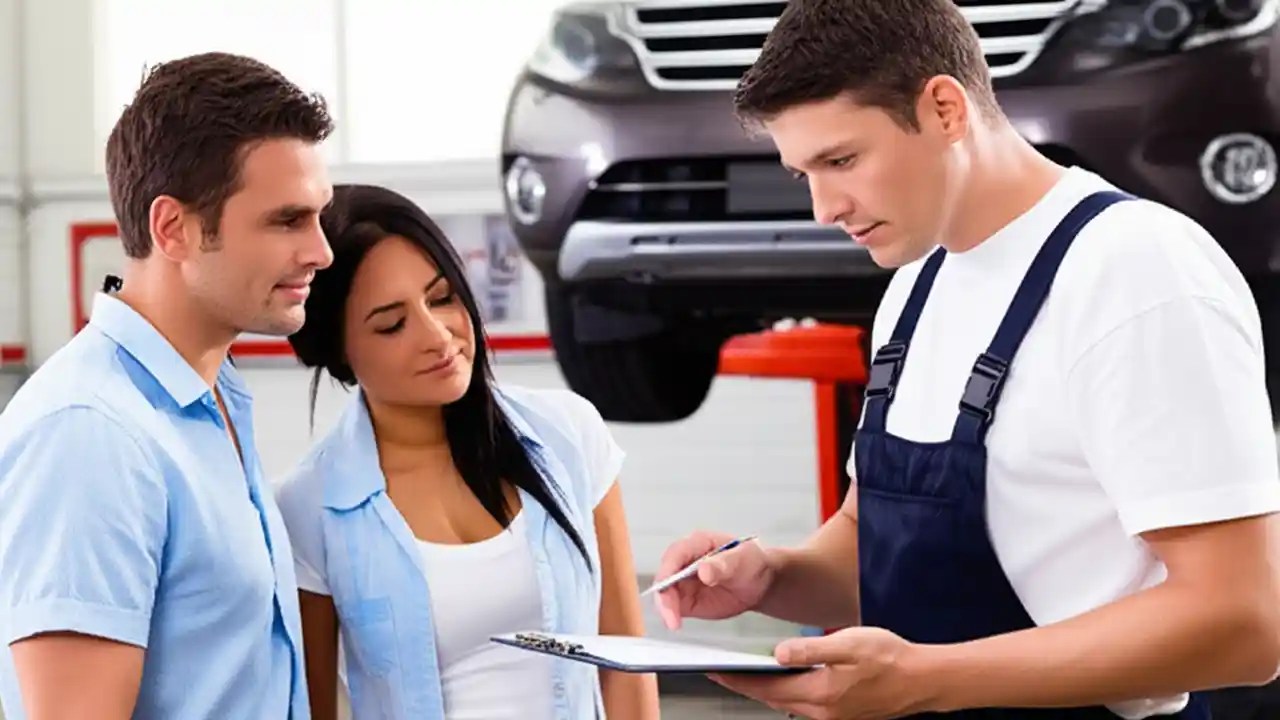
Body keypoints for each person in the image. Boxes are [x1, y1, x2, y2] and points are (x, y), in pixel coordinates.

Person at [651, 1, 1280, 718]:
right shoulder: (918, 285)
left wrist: (925, 680)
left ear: (946, 108)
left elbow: (1243, 621)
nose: (823, 208)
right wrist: (772, 576)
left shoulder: (1134, 273)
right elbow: (877, 548)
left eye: (842, 159)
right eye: (804, 175)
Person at [0, 52, 334, 719]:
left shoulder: (209, 405)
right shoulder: (92, 433)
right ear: (173, 229)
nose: (321, 250)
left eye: (318, 216)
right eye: (287, 220)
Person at [273, 184, 660, 720]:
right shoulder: (308, 506)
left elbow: (625, 662)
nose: (438, 336)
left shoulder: (569, 433)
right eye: (392, 324)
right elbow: (312, 710)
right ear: (338, 352)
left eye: (442, 298)